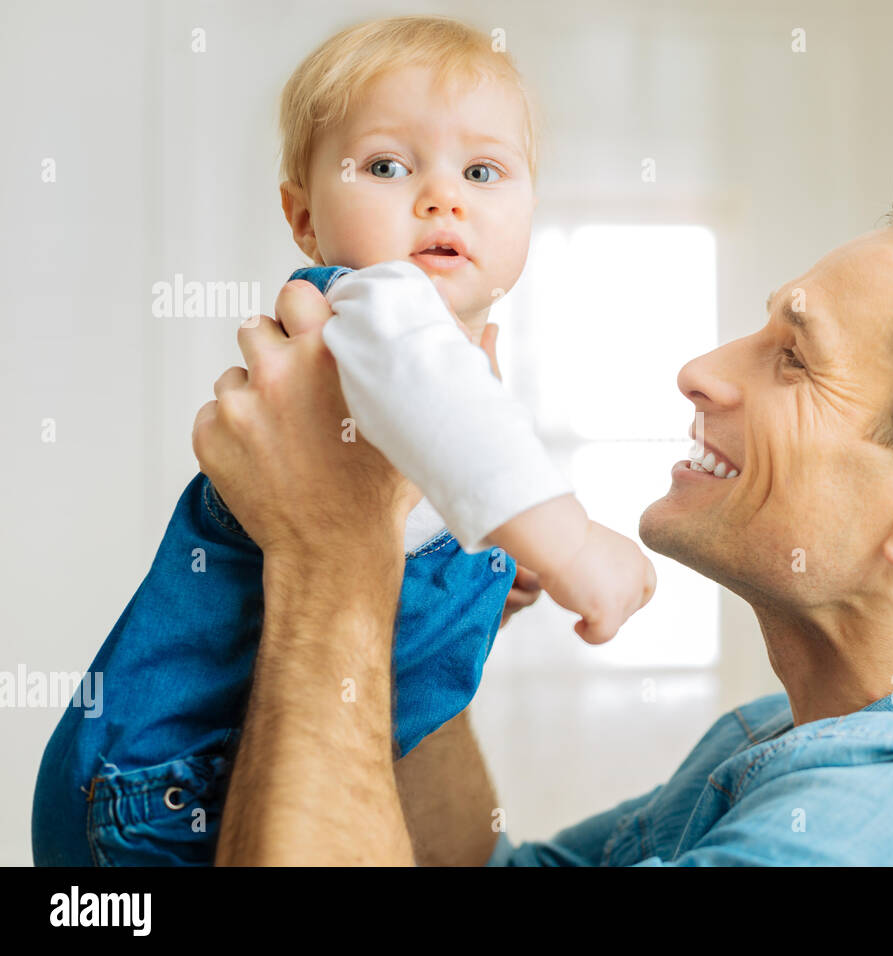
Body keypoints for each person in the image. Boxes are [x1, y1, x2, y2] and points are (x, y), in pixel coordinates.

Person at [196, 183, 893, 866]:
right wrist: (412, 597)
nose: (702, 369)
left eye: (791, 357)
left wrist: (330, 550)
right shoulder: (782, 733)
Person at [31, 14, 653, 867]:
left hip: (195, 783)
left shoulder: (449, 365)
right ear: (304, 219)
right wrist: (572, 541)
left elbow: (441, 460)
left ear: (532, 208)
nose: (442, 197)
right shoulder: (372, 308)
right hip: (172, 787)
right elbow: (439, 407)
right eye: (388, 167)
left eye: (482, 170)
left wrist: (486, 558)